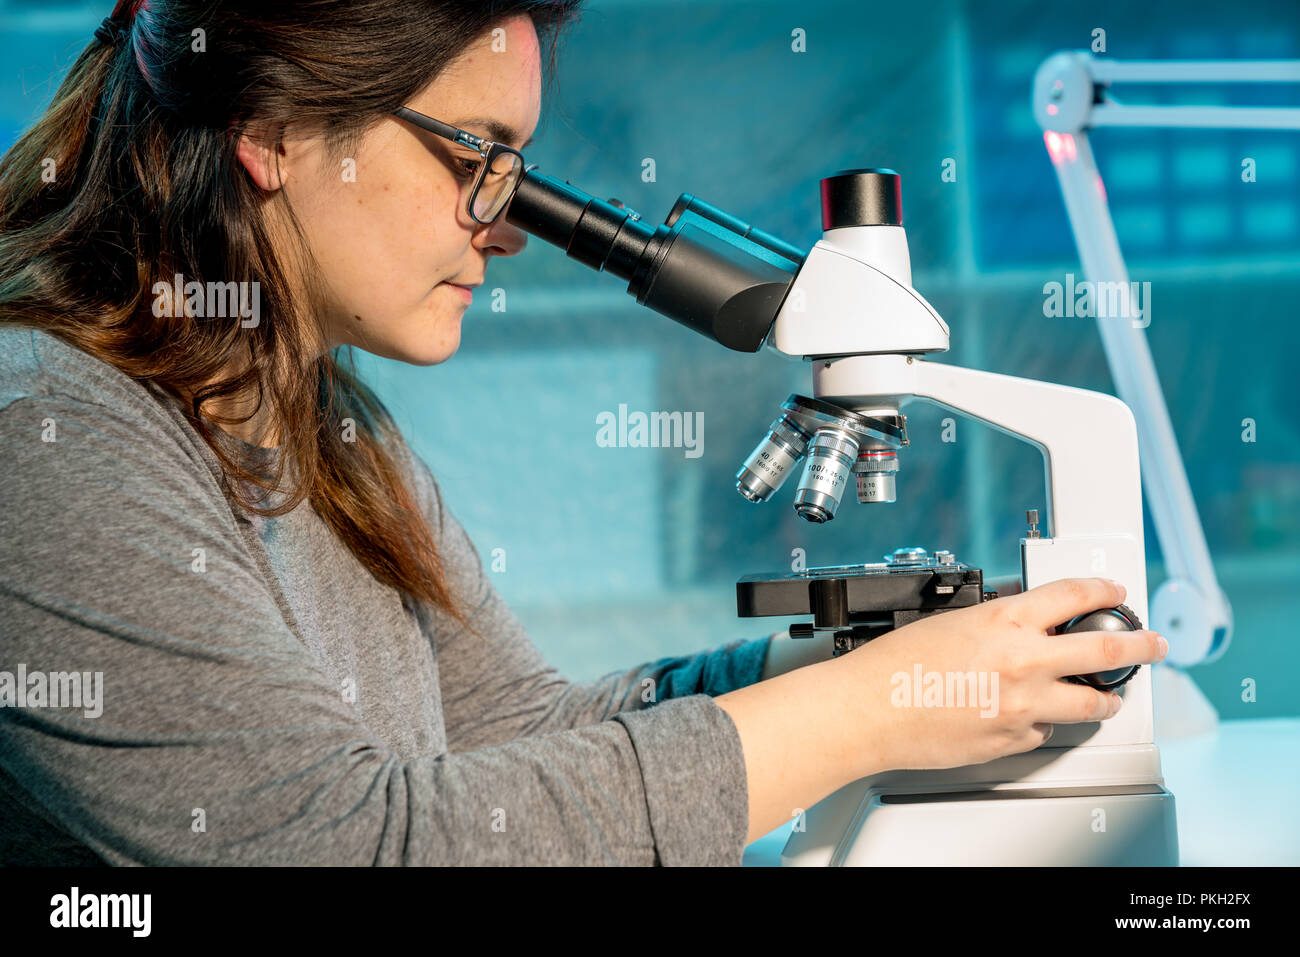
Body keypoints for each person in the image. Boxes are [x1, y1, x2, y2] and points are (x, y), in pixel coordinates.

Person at [0, 0, 1167, 866]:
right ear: (274, 130)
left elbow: (517, 738)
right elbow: (348, 846)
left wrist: (818, 663)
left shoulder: (321, 425)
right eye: (473, 157)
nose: (504, 226)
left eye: (513, 171)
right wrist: (868, 713)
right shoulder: (45, 438)